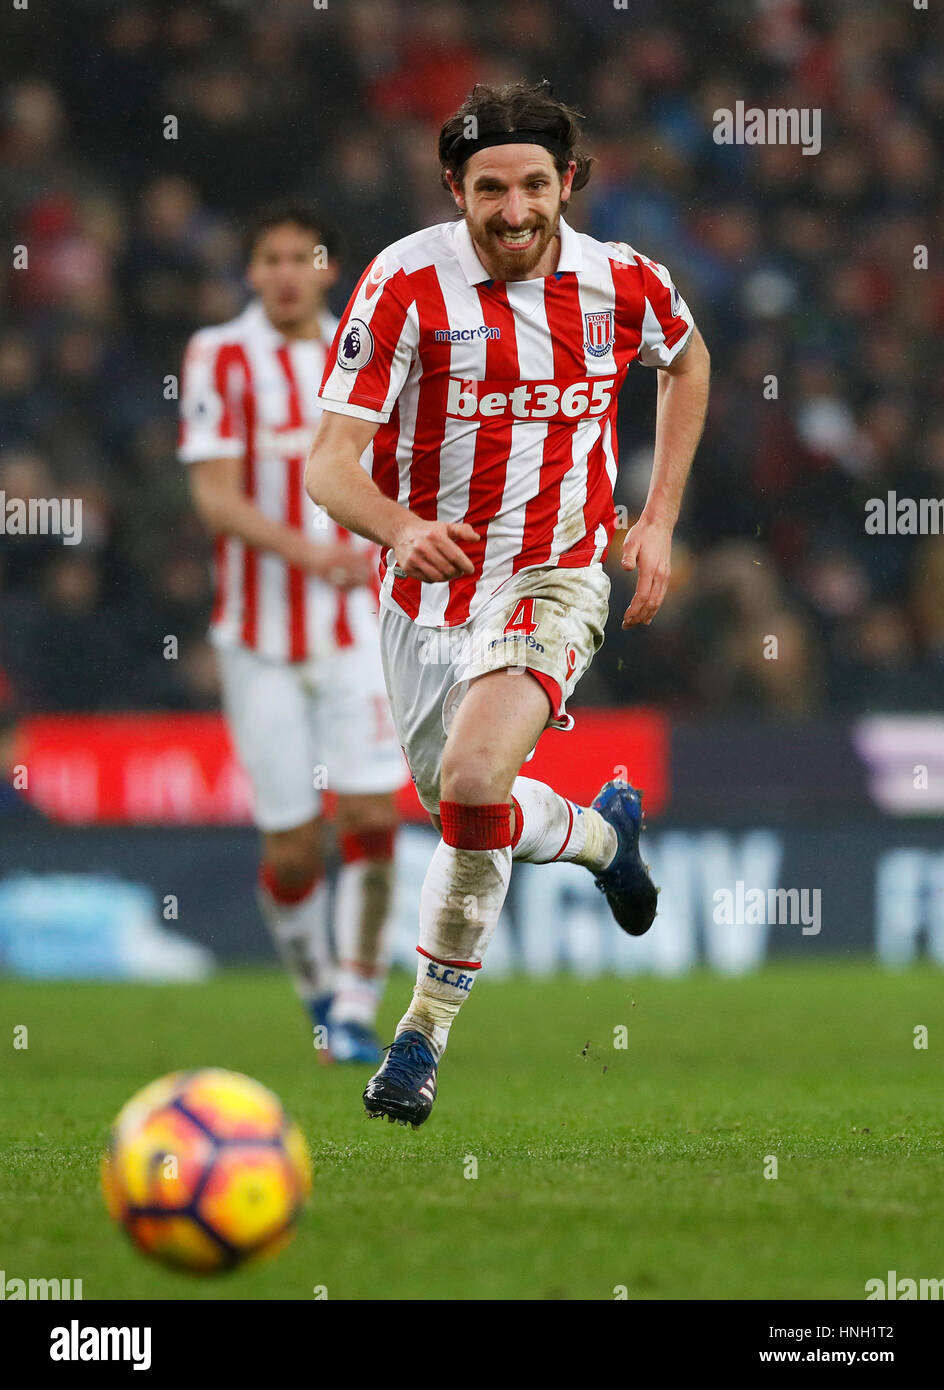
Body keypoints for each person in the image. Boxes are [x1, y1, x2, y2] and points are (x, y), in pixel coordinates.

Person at [305, 81, 710, 1124]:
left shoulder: (622, 283)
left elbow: (686, 357)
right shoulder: (402, 283)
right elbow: (327, 466)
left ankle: (418, 1040)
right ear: (455, 189)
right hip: (424, 588)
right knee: (462, 807)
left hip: (554, 571)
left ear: (567, 182)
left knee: (479, 776)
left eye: (535, 183)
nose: (514, 208)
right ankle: (602, 840)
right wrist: (398, 526)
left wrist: (656, 516)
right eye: (490, 188)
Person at [178, 204, 406, 1064]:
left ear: (326, 270)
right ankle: (316, 987)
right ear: (249, 271)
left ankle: (355, 1002)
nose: (282, 272)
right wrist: (314, 555)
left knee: (371, 811)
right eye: (267, 257)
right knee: (294, 848)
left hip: (355, 629)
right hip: (258, 639)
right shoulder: (219, 355)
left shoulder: (363, 350)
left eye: (299, 258)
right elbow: (214, 497)